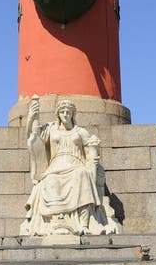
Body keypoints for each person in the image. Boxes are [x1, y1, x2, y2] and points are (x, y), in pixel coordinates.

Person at [20, 96, 119, 237]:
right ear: (58, 114)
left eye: (68, 112)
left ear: (73, 114)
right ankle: (56, 222)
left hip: (76, 165)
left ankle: (84, 224)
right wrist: (31, 118)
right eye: (62, 112)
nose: (65, 115)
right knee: (50, 180)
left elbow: (90, 154)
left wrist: (94, 149)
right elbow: (33, 136)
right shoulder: (50, 129)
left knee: (82, 175)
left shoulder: (81, 132)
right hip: (55, 166)